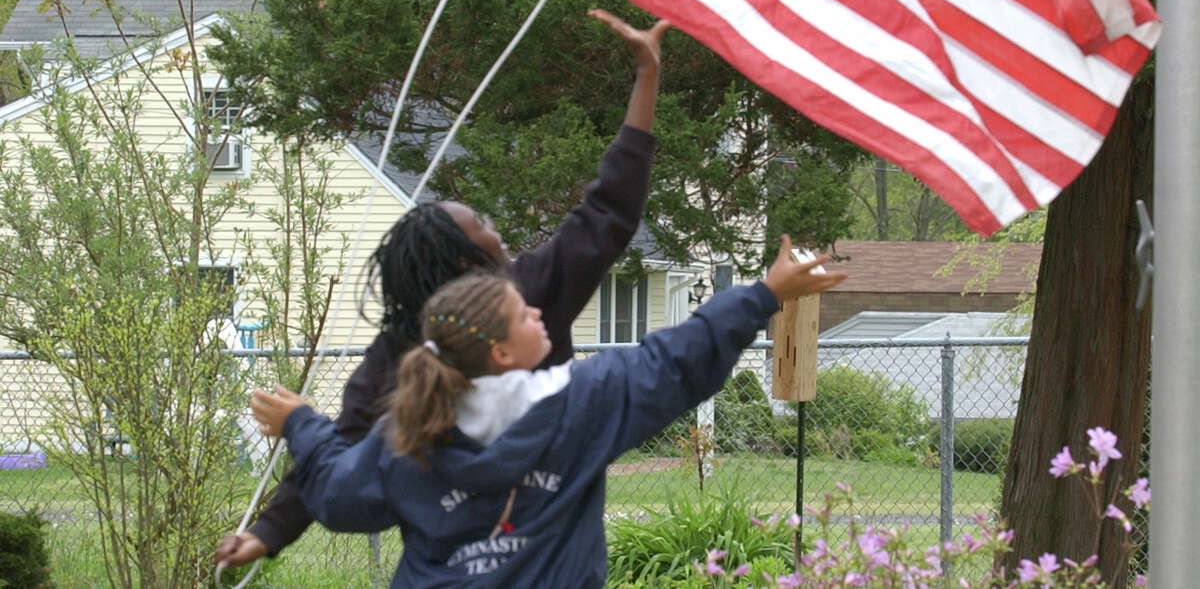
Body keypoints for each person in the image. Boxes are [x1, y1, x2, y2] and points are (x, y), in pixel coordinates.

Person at [216, 8, 670, 568]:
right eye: (482, 223)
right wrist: (269, 531)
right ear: (465, 255)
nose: (496, 227)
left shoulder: (501, 300)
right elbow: (349, 445)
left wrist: (647, 78)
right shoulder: (506, 303)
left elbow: (609, 209)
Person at [251, 236, 846, 587]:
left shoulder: (406, 433)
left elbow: (339, 496)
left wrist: (301, 425)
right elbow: (676, 361)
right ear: (502, 352)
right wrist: (765, 294)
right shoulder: (581, 402)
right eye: (525, 315)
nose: (540, 315)